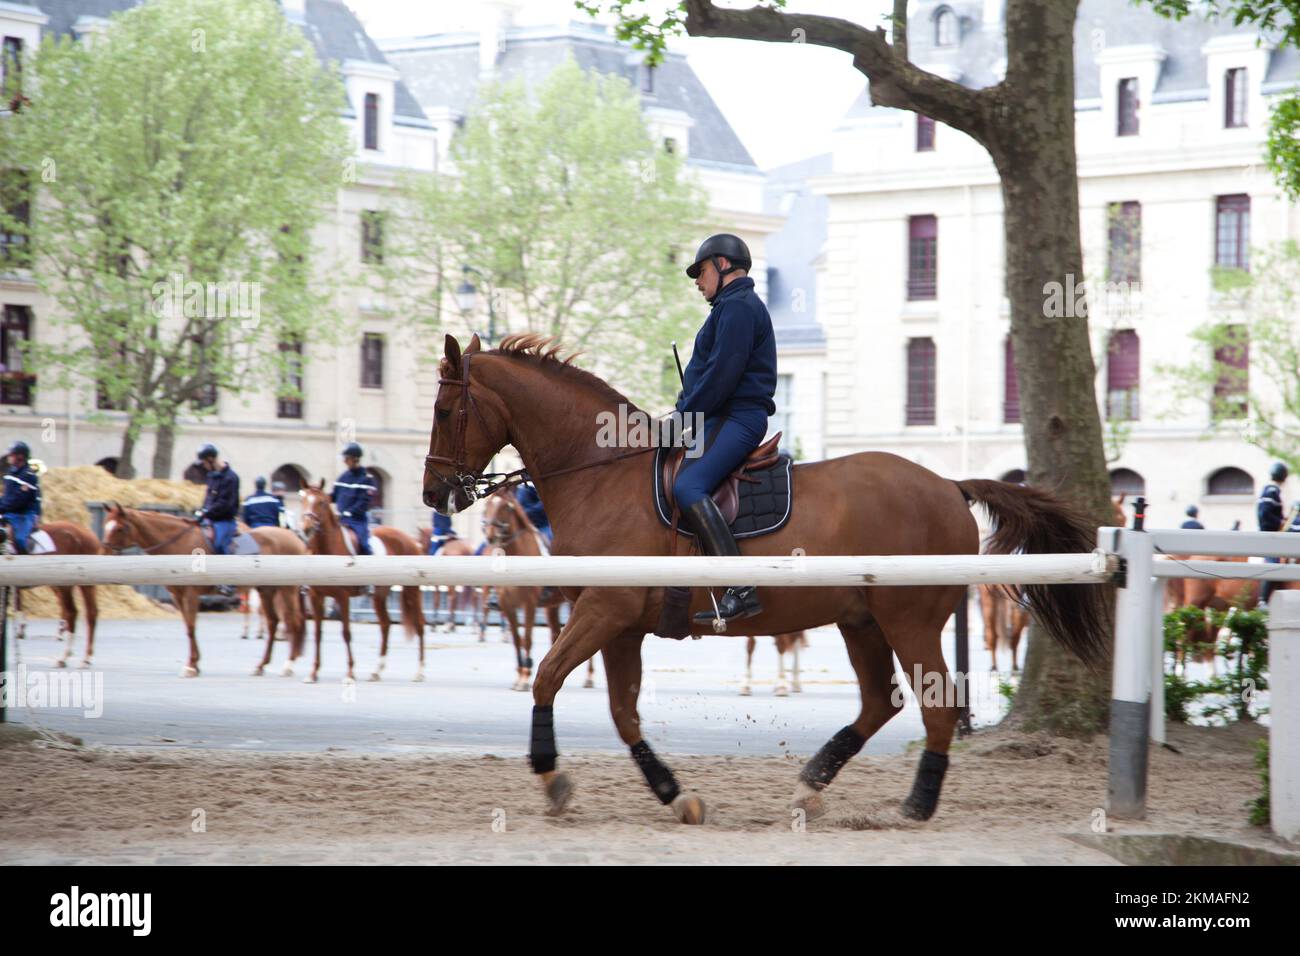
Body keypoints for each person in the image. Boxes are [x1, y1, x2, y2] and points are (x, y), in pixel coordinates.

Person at [672, 233, 777, 625]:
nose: (697, 282)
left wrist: (684, 418)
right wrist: (681, 412)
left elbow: (721, 377)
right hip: (719, 415)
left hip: (738, 417)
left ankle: (741, 588)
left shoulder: (739, 308)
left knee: (687, 486)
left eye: (700, 272)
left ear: (721, 264)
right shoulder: (726, 310)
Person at [331, 442, 376, 555]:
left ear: (355, 459)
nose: (344, 461)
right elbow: (334, 496)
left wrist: (348, 513)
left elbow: (363, 503)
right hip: (340, 520)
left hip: (357, 521)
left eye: (346, 458)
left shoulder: (367, 478)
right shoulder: (343, 477)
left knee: (363, 545)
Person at [0, 440, 41, 553]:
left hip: (22, 514)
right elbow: (7, 496)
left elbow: (19, 500)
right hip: (9, 512)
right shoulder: (10, 474)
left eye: (11, 454)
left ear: (20, 457)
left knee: (20, 540)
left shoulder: (28, 476)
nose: (9, 457)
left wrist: (2, 508)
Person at [1258, 461, 1288, 605]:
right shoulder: (1272, 491)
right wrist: (1280, 522)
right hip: (1269, 534)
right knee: (1273, 563)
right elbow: (1265, 513)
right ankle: (1263, 599)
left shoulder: (1270, 490)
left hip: (1271, 532)